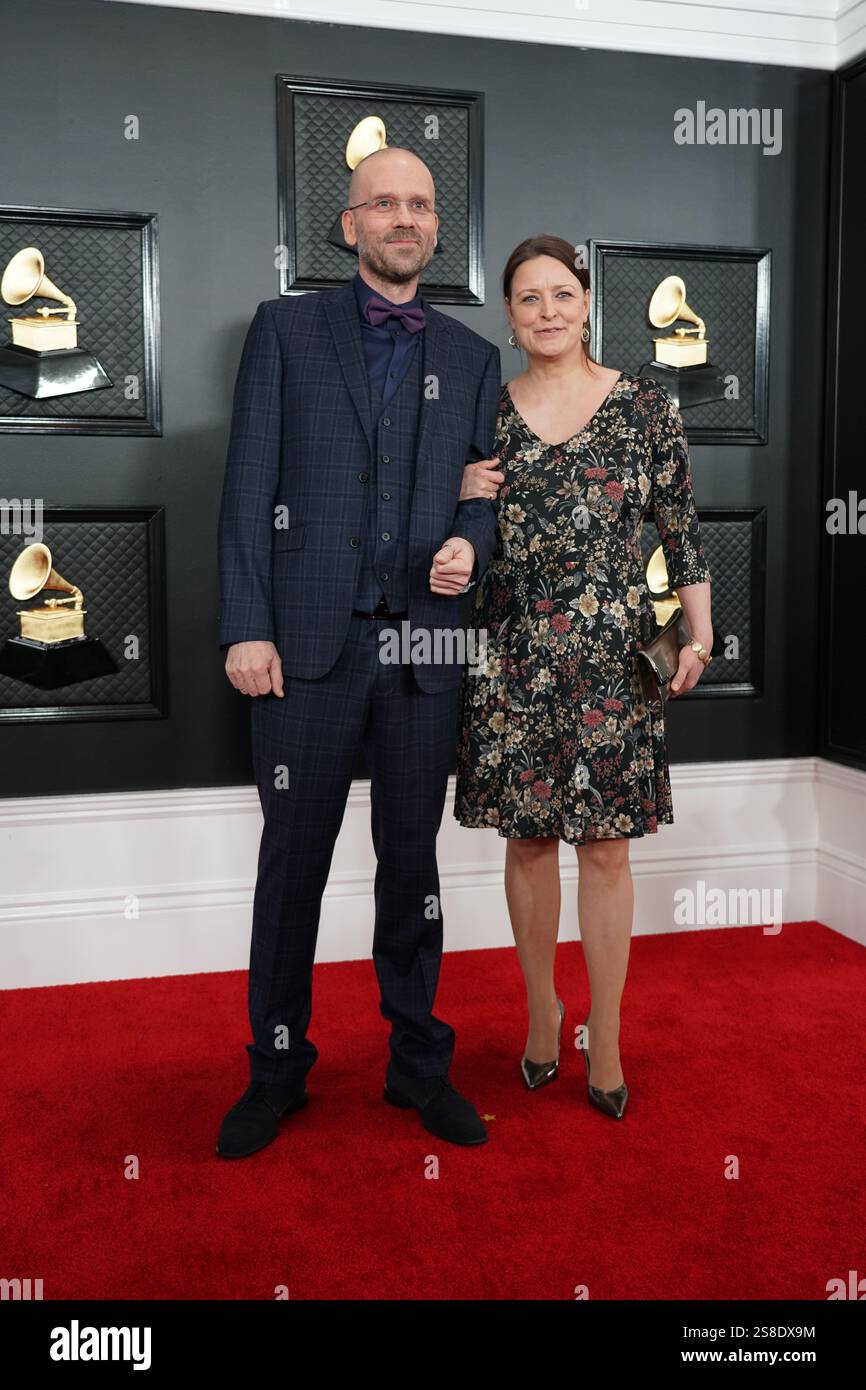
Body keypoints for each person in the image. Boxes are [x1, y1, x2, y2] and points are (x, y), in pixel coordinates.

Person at [215, 147, 501, 1157]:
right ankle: (277, 1071)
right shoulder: (285, 330)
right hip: (303, 647)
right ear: (347, 224)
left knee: (411, 863)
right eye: (383, 202)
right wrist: (244, 624)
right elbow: (249, 480)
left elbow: (481, 484)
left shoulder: (471, 357)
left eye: (420, 204)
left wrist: (473, 536)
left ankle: (418, 1068)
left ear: (435, 227)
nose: (403, 218)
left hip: (425, 647)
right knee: (292, 862)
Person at [454, 234, 713, 1119]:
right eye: (529, 299)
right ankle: (540, 1015)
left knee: (605, 849)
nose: (548, 311)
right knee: (526, 843)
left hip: (613, 656)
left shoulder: (644, 406)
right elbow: (463, 525)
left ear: (587, 301)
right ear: (510, 314)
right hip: (516, 652)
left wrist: (699, 631)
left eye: (561, 294)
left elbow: (681, 528)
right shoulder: (484, 415)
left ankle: (604, 1033)